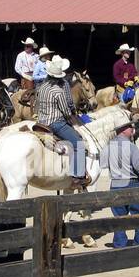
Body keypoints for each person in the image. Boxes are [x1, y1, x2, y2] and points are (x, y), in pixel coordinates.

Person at [35, 55, 89, 187]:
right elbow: (66, 111)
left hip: (41, 122)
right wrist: (73, 121)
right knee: (79, 144)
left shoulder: (41, 87)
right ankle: (77, 176)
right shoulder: (58, 90)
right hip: (56, 123)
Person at [106, 119, 139, 247]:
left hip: (115, 184)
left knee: (119, 217)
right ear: (124, 130)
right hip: (132, 183)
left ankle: (120, 245)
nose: (133, 130)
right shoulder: (131, 147)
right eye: (131, 127)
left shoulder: (109, 146)